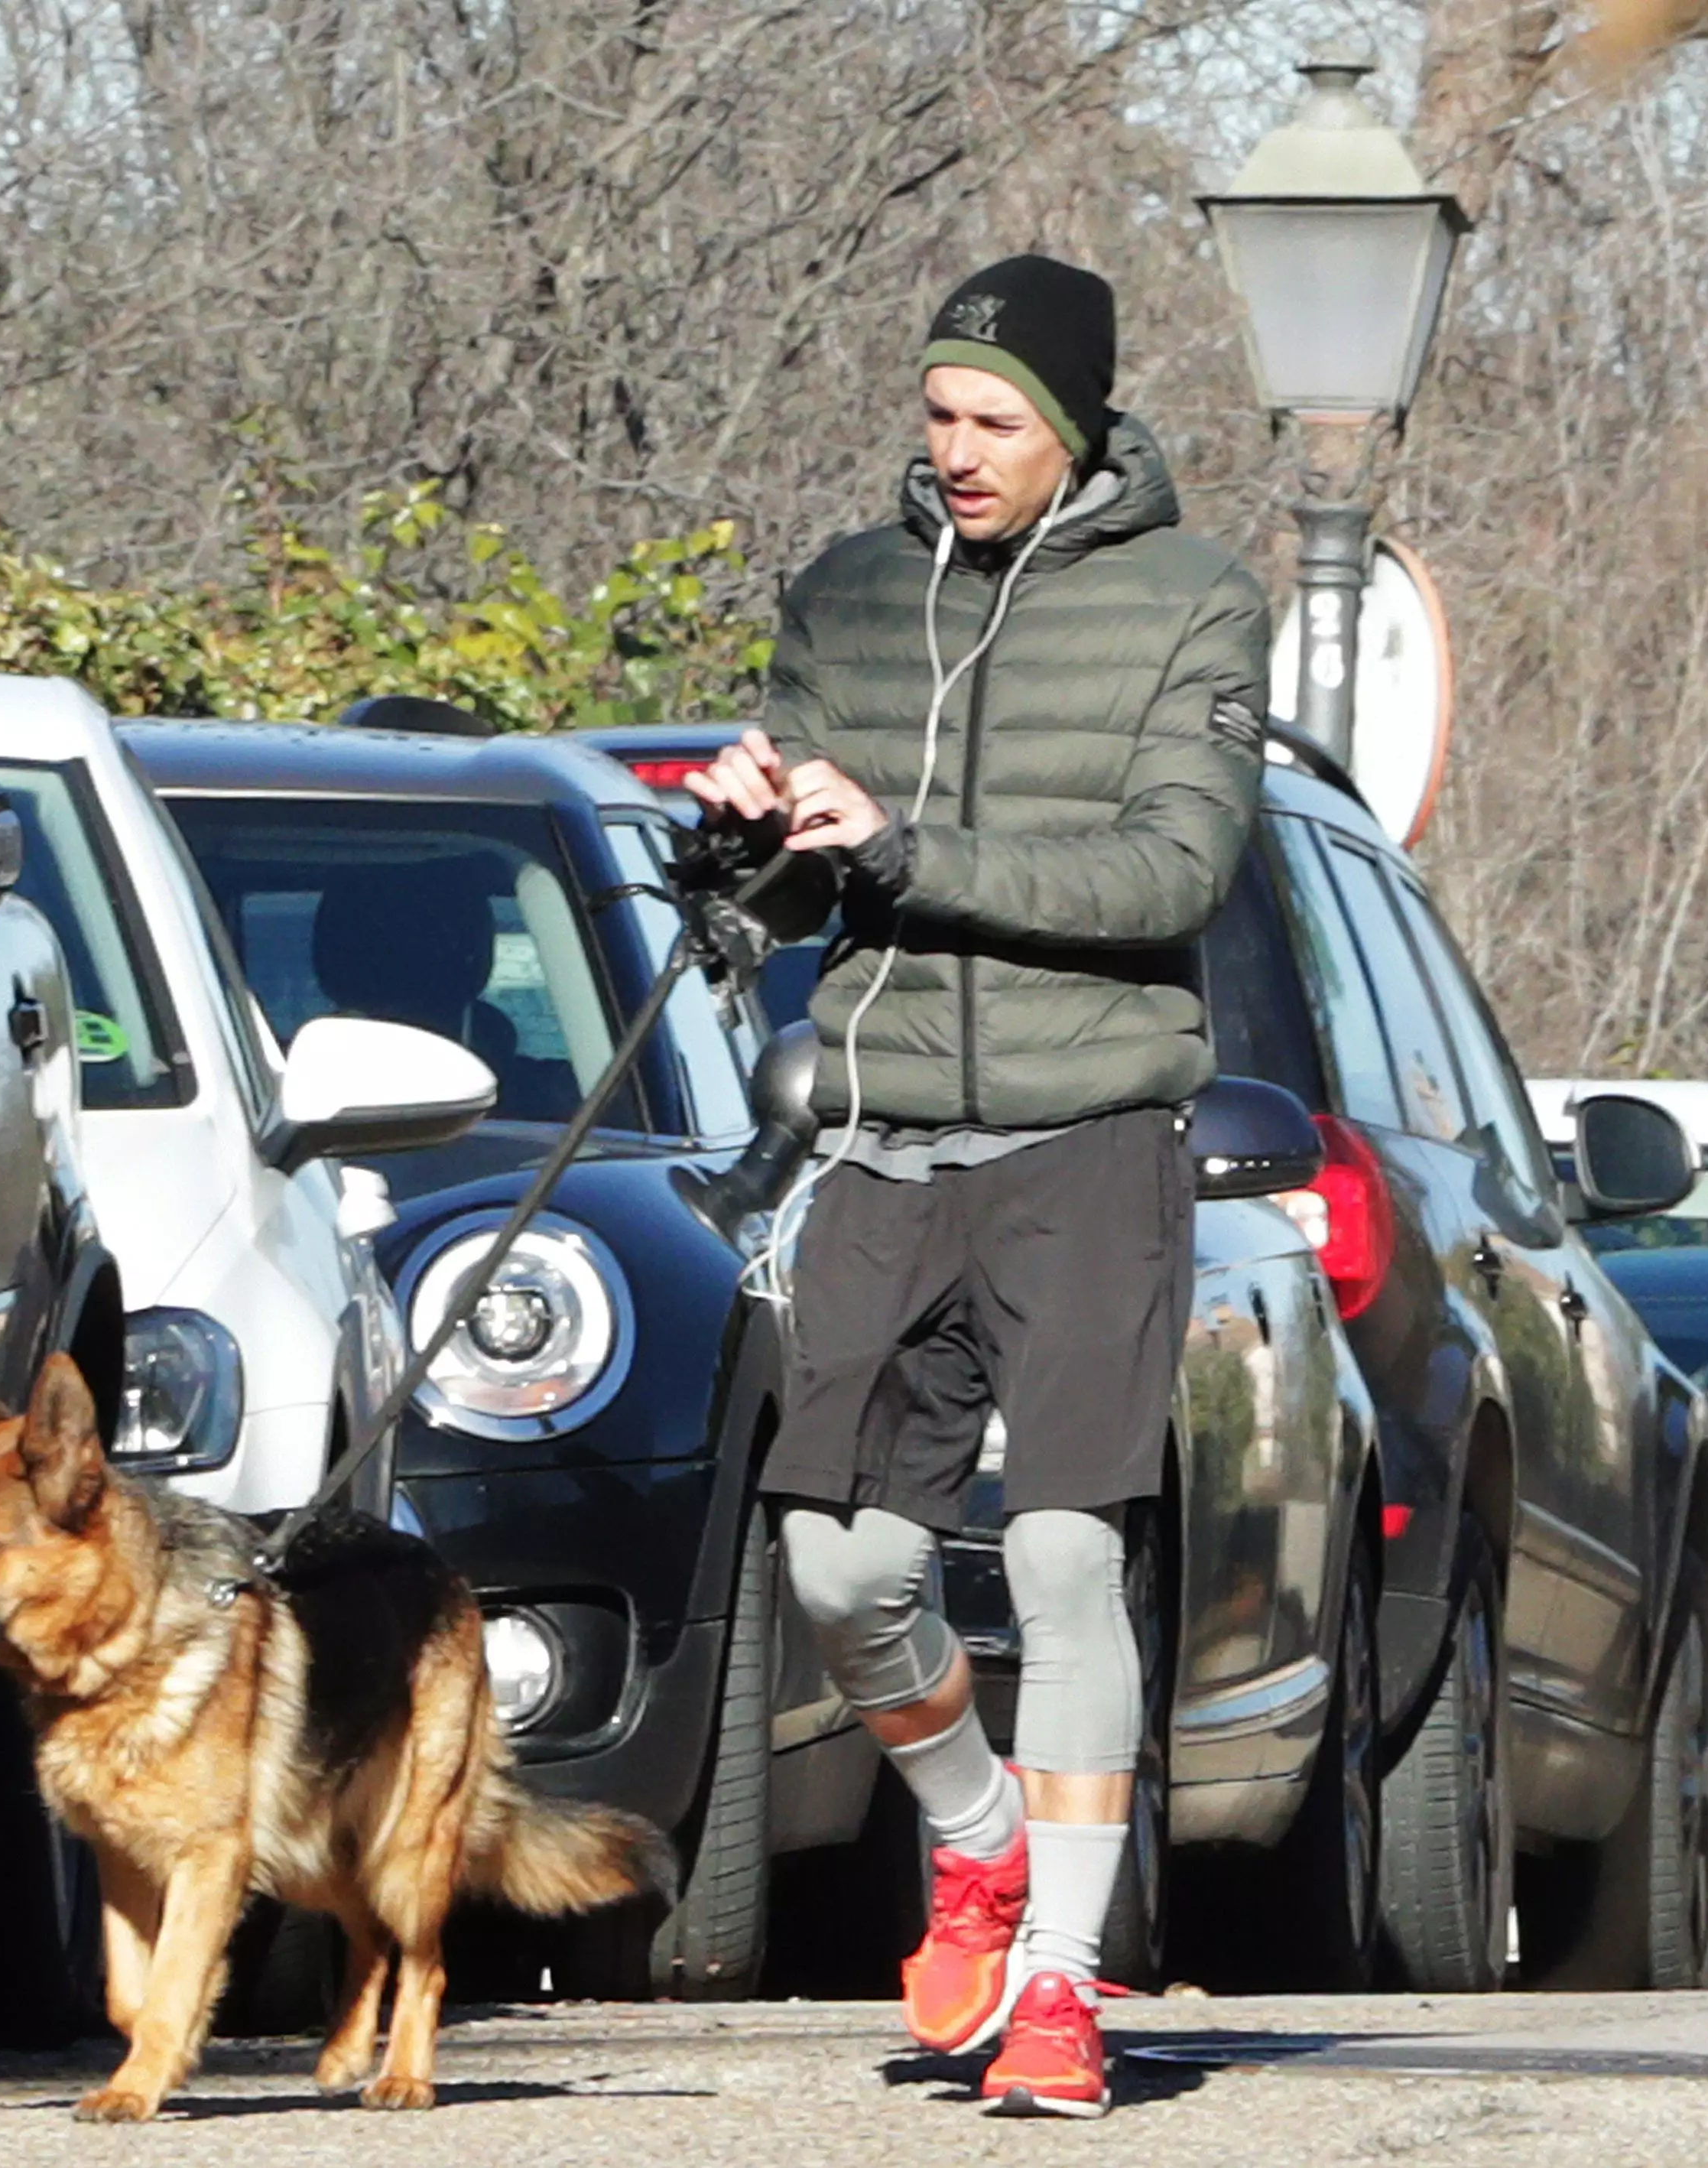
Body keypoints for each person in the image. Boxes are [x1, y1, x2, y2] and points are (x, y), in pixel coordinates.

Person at [689, 253, 1268, 2120]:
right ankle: (977, 1831)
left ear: (1075, 429)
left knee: (1061, 1549)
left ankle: (1056, 1988)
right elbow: (784, 898)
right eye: (935, 414)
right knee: (838, 1567)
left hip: (1089, 1134)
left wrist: (915, 849)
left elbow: (1169, 873)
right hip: (877, 1130)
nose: (951, 450)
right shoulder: (848, 598)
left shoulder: (1191, 603)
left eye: (992, 421)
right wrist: (743, 845)